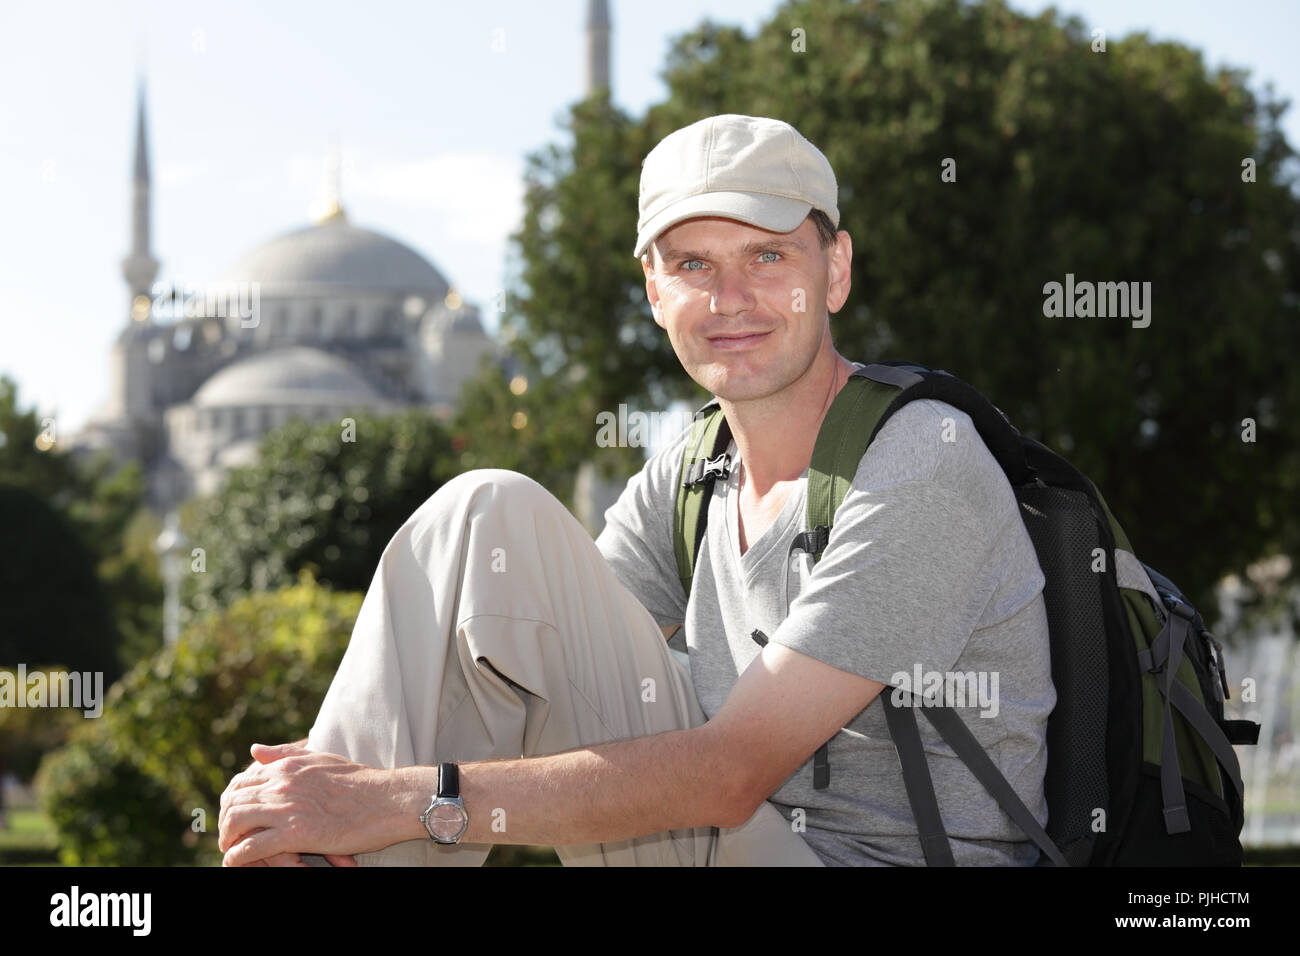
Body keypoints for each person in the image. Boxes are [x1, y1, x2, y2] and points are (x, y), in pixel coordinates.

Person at [217, 114, 1055, 867]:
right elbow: (528, 645)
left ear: (834, 272)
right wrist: (313, 790)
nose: (730, 299)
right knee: (485, 516)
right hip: (738, 843)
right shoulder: (694, 468)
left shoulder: (923, 465)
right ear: (656, 293)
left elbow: (728, 776)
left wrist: (390, 801)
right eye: (694, 264)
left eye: (768, 256)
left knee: (389, 780)